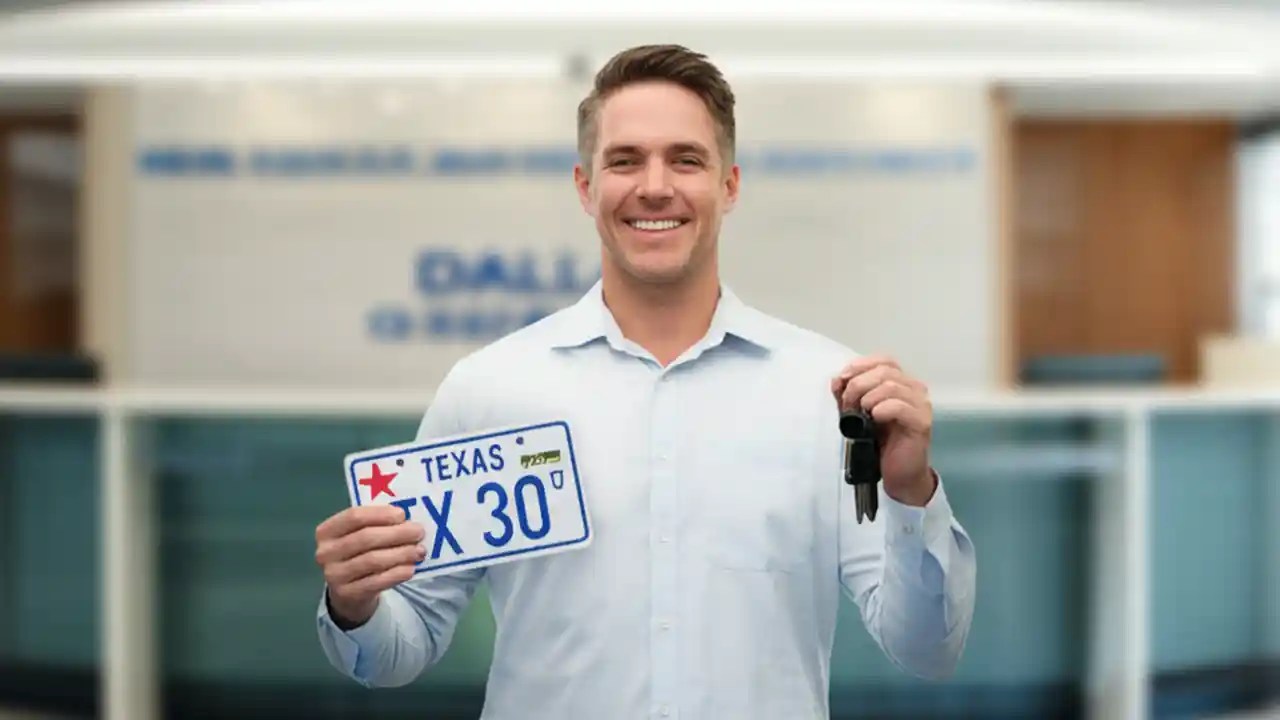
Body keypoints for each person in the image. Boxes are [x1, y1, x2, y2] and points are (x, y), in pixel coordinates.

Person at [314, 44, 976, 719]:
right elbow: (403, 646)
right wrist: (355, 604)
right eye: (625, 160)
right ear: (585, 187)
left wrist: (909, 495)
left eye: (685, 159)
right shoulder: (489, 390)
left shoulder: (828, 395)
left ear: (729, 186)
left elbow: (927, 649)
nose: (655, 186)